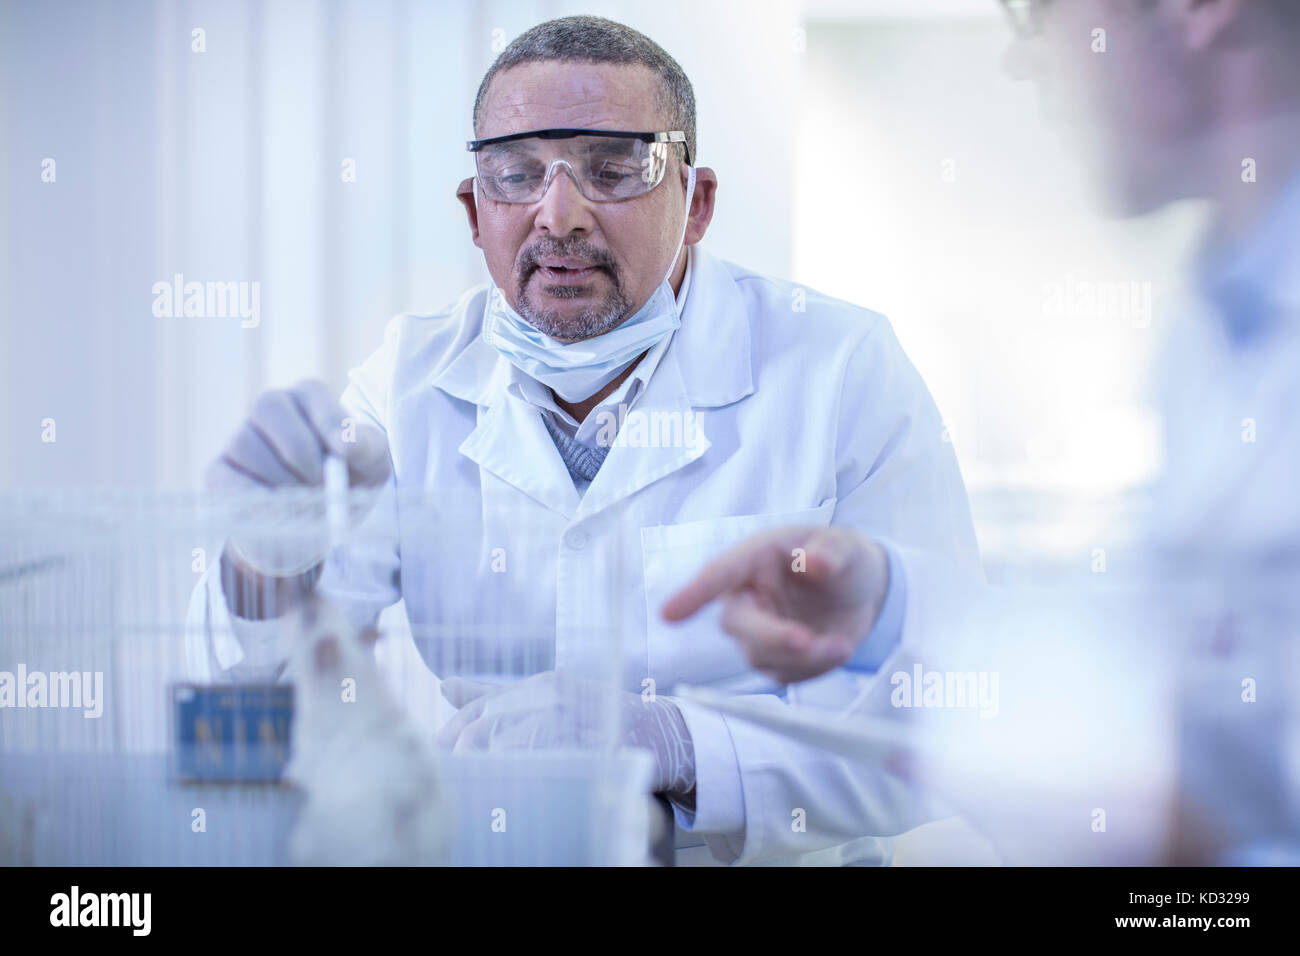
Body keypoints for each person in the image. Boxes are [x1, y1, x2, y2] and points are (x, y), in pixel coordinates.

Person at [186, 15, 981, 866]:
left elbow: (950, 717)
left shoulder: (840, 368)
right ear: (474, 209)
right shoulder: (405, 382)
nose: (558, 216)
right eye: (516, 175)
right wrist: (266, 563)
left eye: (612, 169)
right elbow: (245, 706)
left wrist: (674, 743)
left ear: (697, 201)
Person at [671, 0, 1300, 863]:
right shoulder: (1217, 325)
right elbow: (1179, 665)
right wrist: (885, 608)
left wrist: (1188, 864)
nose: (1022, 60)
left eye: (1035, 12)